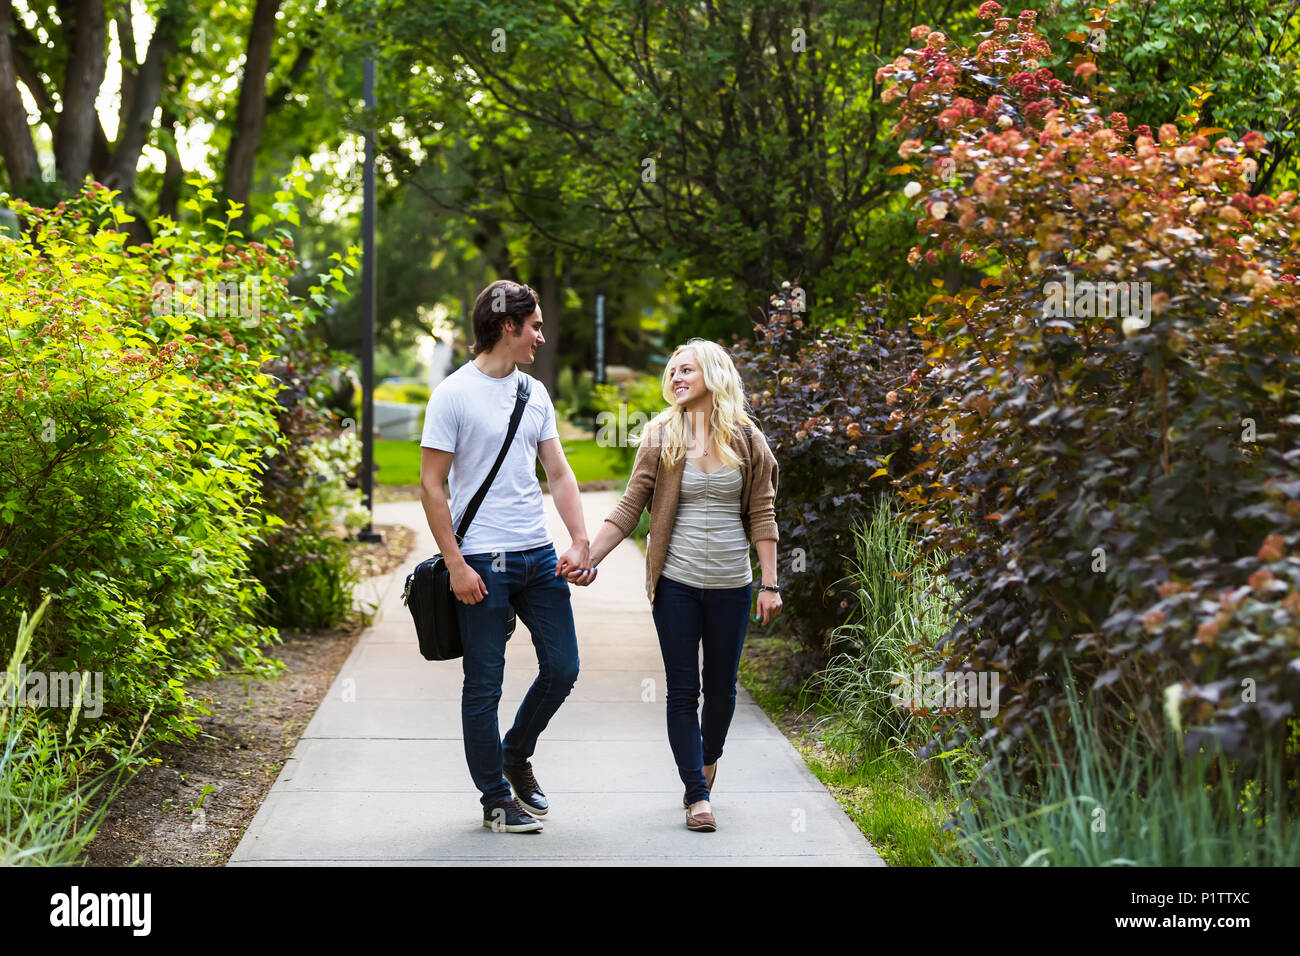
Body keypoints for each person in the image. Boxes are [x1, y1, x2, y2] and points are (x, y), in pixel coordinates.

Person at [566, 338, 782, 831]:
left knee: (723, 689)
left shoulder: (748, 439)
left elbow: (763, 512)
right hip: (677, 583)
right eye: (673, 371)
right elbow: (629, 506)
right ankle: (697, 794)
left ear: (713, 375)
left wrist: (770, 584)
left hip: (732, 583)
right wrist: (588, 557)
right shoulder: (660, 435)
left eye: (687, 370)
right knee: (684, 690)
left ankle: (703, 769)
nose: (677, 378)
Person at [419, 279, 590, 834]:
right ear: (506, 326)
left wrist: (579, 539)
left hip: (538, 556)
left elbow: (558, 472)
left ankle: (515, 752)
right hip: (482, 562)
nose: (540, 335)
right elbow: (431, 485)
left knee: (563, 667)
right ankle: (495, 798)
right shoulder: (452, 394)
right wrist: (456, 565)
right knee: (484, 684)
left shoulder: (533, 392)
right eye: (534, 325)